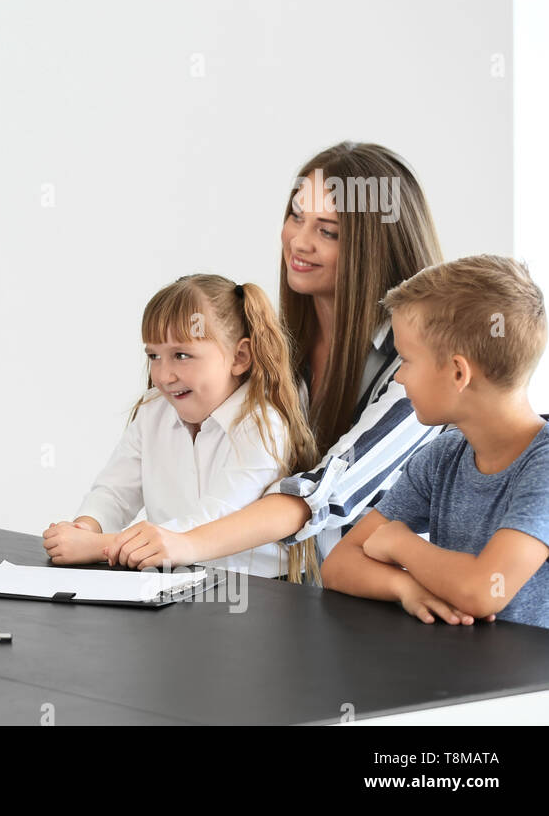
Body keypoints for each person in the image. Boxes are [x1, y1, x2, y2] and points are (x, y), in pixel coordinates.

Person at [104, 142, 445, 580]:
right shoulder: (276, 348)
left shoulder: (415, 369)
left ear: (375, 248)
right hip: (294, 600)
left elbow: (325, 493)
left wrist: (178, 544)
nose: (299, 242)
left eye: (328, 231)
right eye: (296, 217)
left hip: (382, 612)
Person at [322, 256, 549, 626]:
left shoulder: (543, 467)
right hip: (457, 676)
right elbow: (338, 565)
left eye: (407, 360)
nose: (399, 379)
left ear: (458, 372)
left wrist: (401, 544)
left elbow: (485, 591)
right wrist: (406, 588)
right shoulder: (441, 457)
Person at [43, 275, 317, 578]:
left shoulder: (262, 426)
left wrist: (97, 546)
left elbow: (208, 522)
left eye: (181, 355)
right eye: (154, 356)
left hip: (257, 591)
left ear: (239, 358)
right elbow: (115, 491)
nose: (163, 375)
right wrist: (87, 525)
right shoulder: (153, 412)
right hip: (176, 580)